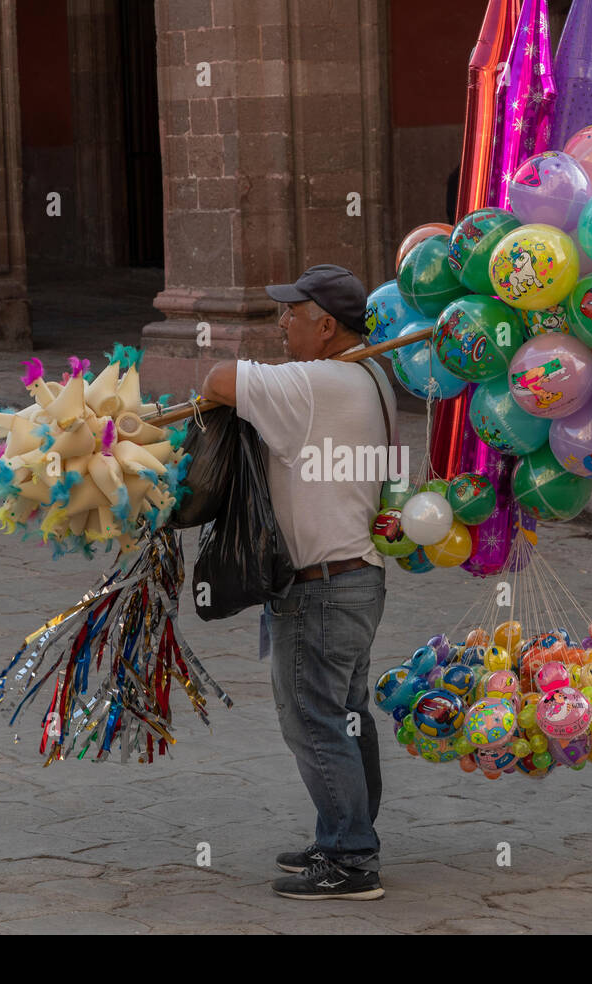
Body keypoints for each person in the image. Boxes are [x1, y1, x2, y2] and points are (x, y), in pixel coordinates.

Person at [199, 265, 396, 901]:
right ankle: (344, 830)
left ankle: (350, 858)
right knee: (345, 713)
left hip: (321, 586)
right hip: (356, 577)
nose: (281, 324)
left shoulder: (317, 383)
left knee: (312, 718)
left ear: (327, 325)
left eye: (292, 313)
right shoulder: (371, 376)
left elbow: (217, 380)